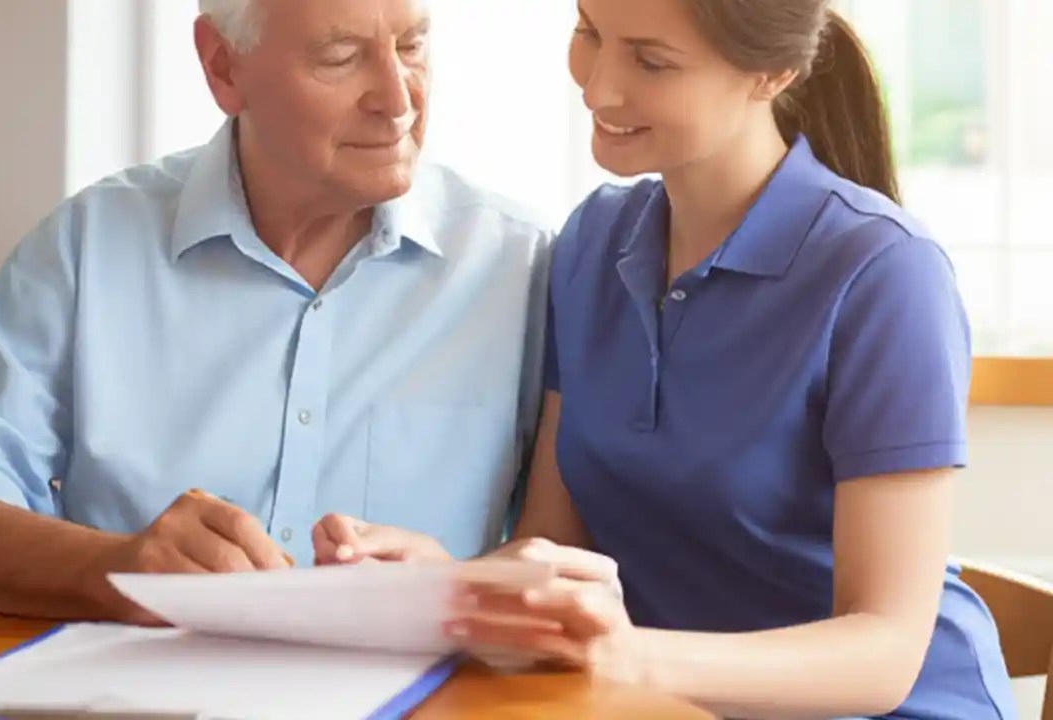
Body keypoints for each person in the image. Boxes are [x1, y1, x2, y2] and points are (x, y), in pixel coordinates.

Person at [317, 0, 1019, 717]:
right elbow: (556, 549)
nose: (598, 88)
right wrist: (447, 588)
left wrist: (628, 655)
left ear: (770, 73)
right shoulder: (593, 242)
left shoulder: (883, 274)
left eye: (651, 61)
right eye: (590, 33)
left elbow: (885, 653)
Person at [0, 0, 550, 624]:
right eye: (340, 57)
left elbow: (580, 572)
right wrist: (112, 570)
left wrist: (456, 585)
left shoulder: (522, 268)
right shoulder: (90, 246)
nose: (398, 101)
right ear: (223, 66)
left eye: (411, 46)